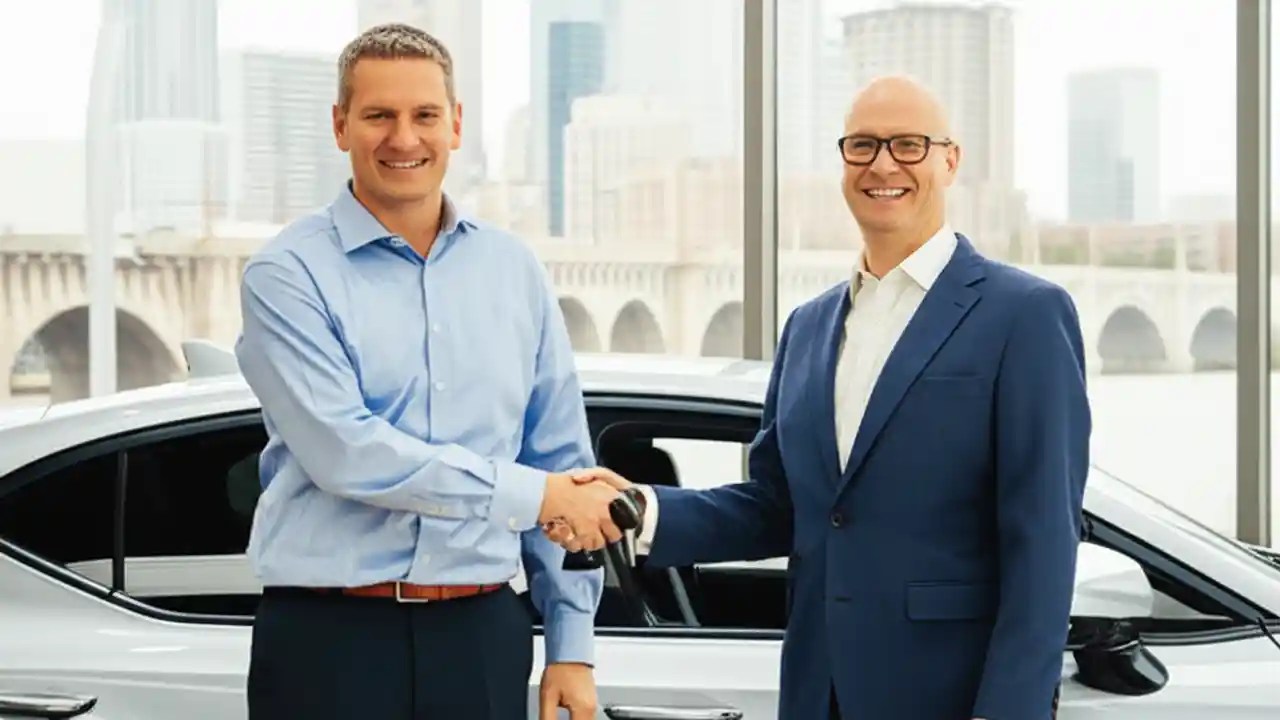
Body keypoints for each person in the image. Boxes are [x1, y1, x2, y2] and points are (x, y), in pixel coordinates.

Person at [556, 75, 1090, 720]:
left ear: (951, 161)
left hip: (948, 695)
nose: (883, 164)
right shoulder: (808, 326)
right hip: (818, 689)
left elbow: (1042, 545)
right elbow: (779, 507)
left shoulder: (1024, 314)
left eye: (909, 145)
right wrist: (637, 510)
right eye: (862, 146)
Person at [234, 23, 622, 720]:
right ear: (340, 125)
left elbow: (560, 455)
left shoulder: (515, 271)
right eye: (379, 115)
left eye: (424, 116)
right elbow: (349, 454)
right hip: (329, 643)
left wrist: (571, 642)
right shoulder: (286, 275)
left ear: (456, 125)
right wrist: (535, 496)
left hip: (481, 636)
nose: (403, 139)